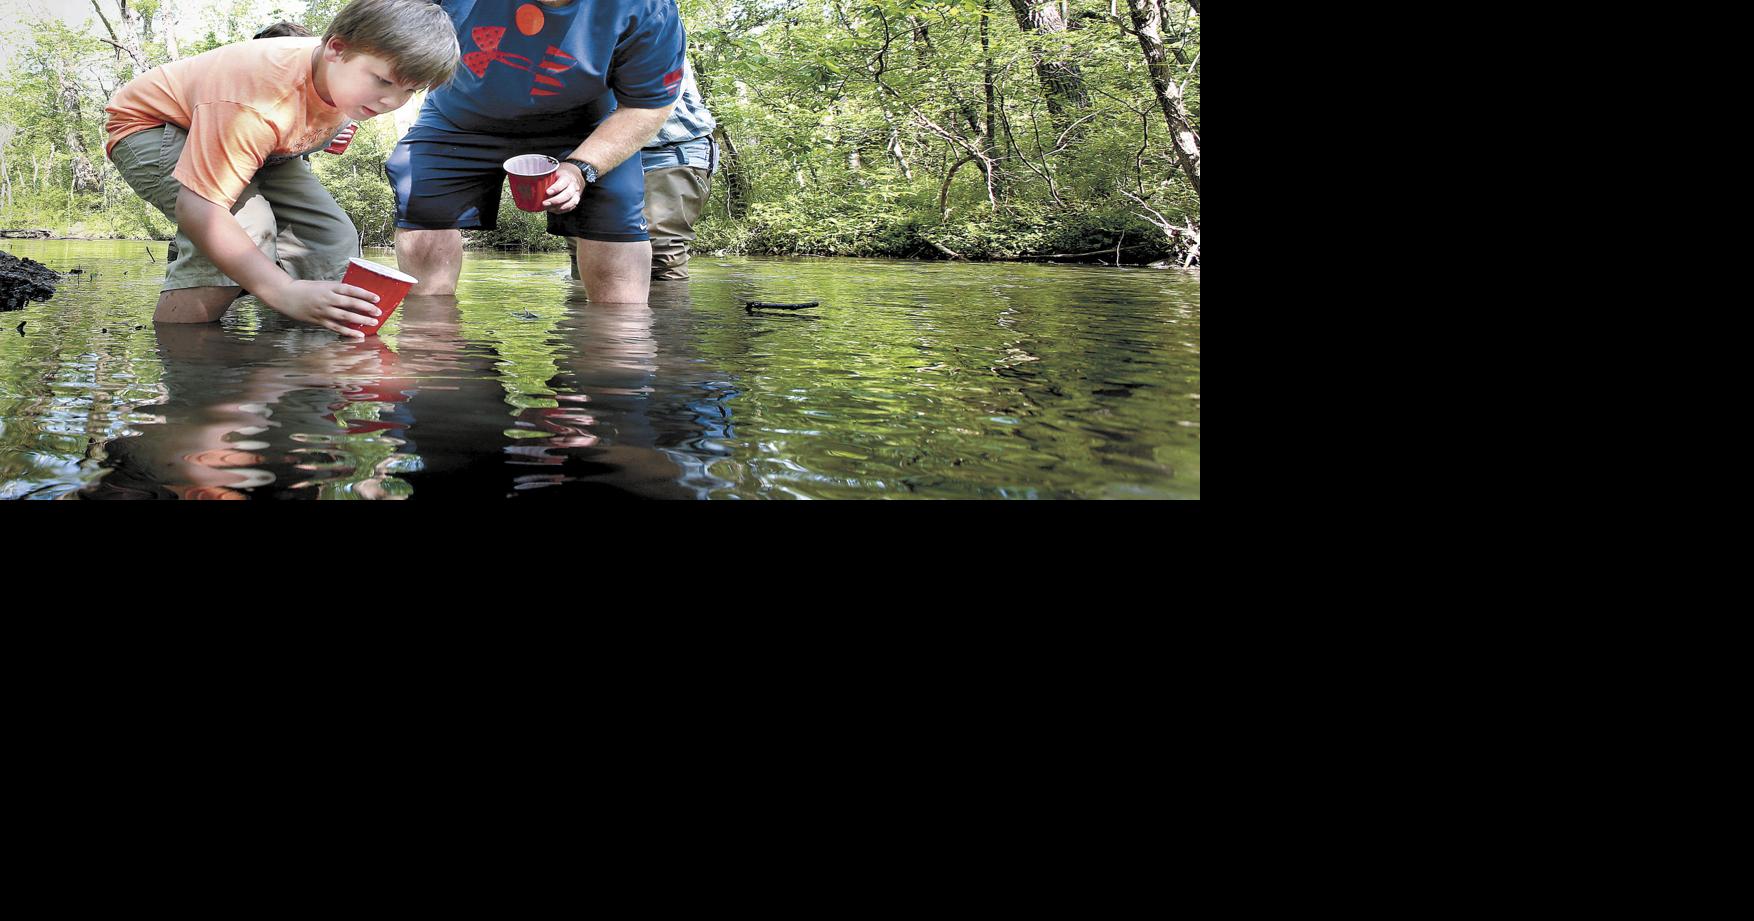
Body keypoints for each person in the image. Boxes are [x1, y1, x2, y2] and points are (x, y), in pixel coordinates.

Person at [104, 0, 458, 338]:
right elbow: (199, 208)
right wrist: (283, 290)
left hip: (262, 146)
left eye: (410, 90)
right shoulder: (258, 96)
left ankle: (299, 362)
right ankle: (188, 359)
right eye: (382, 81)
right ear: (335, 49)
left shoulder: (348, 79)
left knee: (332, 239)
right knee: (247, 229)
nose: (391, 102)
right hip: (154, 125)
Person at [386, 0, 685, 303]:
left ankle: (616, 345)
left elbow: (646, 106)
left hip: (586, 128)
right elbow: (381, 36)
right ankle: (433, 343)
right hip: (456, 119)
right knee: (420, 197)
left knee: (615, 215)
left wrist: (583, 167)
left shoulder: (648, 8)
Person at [569, 59, 716, 282]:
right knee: (585, 246)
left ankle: (665, 316)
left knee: (659, 248)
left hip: (670, 150)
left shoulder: (655, 30)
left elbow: (651, 103)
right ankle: (588, 317)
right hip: (591, 151)